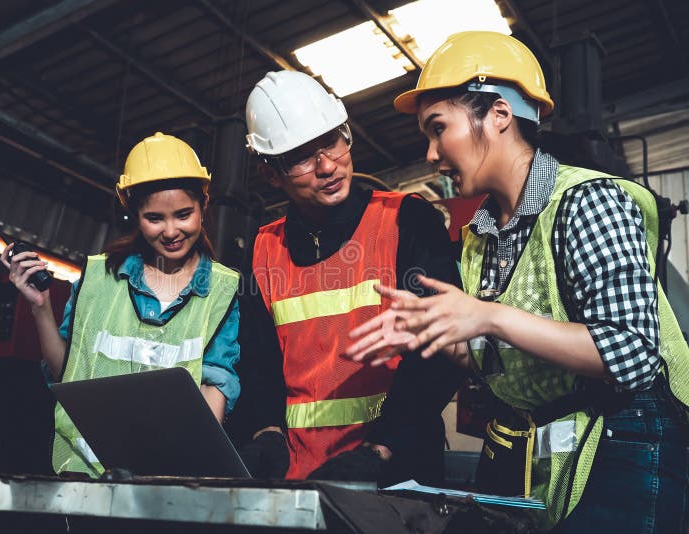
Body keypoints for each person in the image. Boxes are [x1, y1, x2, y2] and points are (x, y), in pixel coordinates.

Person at [346, 31, 689, 531]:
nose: (431, 153)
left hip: (627, 434)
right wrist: (441, 337)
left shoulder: (586, 201)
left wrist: (487, 315)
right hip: (547, 442)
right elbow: (500, 360)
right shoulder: (479, 236)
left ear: (499, 115)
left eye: (438, 128)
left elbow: (631, 351)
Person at [229, 70, 465, 485]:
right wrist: (264, 431)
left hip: (396, 470)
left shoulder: (407, 221)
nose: (327, 166)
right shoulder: (265, 249)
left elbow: (440, 350)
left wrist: (385, 446)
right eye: (301, 156)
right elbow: (257, 361)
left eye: (332, 142)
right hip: (296, 476)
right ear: (271, 174)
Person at [1, 132, 241, 478]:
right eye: (154, 218)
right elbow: (64, 374)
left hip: (167, 484)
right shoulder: (98, 277)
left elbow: (216, 388)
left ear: (204, 206)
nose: (171, 230)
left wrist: (187, 466)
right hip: (82, 477)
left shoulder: (223, 290)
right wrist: (40, 307)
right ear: (134, 215)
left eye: (184, 214)